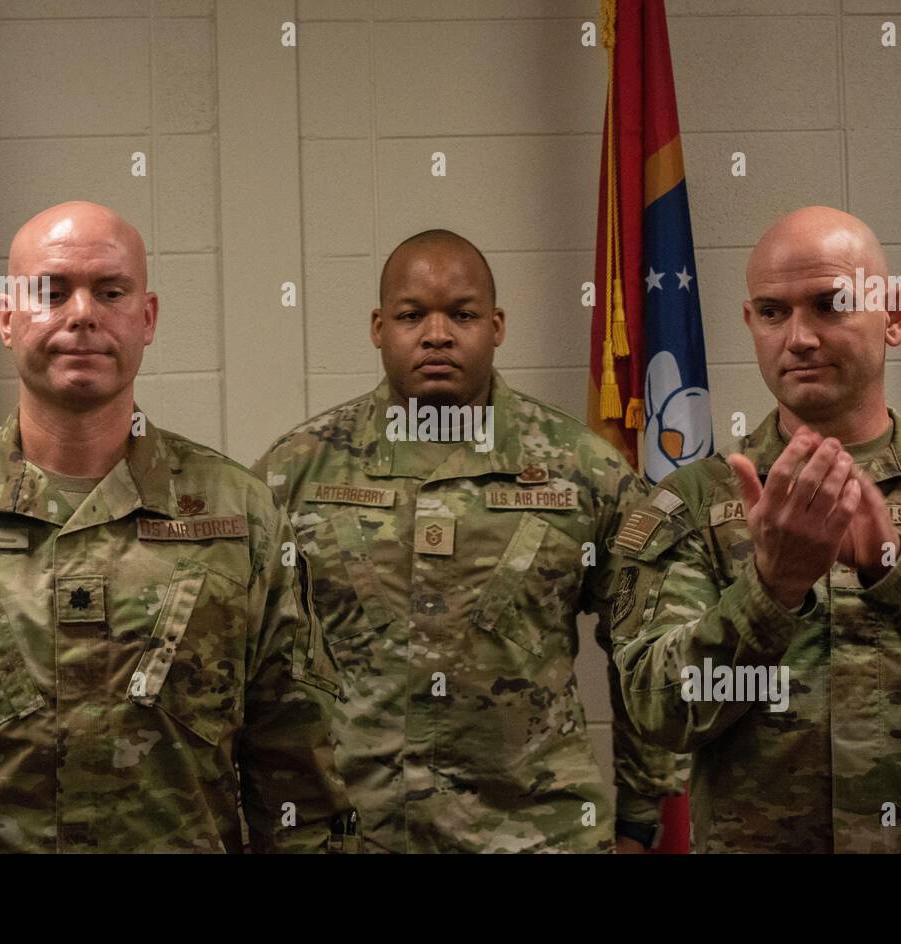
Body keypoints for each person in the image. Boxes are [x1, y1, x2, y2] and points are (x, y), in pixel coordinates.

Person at [0, 201, 356, 853]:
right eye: (51, 292)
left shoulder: (242, 516)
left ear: (146, 319)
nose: (82, 313)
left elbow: (299, 794)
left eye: (110, 291)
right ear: (5, 316)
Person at [609, 206, 901, 853]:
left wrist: (900, 572)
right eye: (774, 312)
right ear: (751, 322)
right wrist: (770, 591)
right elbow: (655, 712)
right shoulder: (688, 505)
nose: (799, 337)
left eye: (831, 304)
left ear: (894, 314)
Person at [252, 229, 682, 853]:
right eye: (410, 315)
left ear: (497, 325)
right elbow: (249, 665)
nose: (436, 334)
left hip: (536, 835)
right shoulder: (296, 473)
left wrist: (640, 820)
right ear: (378, 327)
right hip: (352, 833)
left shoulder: (584, 471)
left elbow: (645, 648)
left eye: (462, 314)